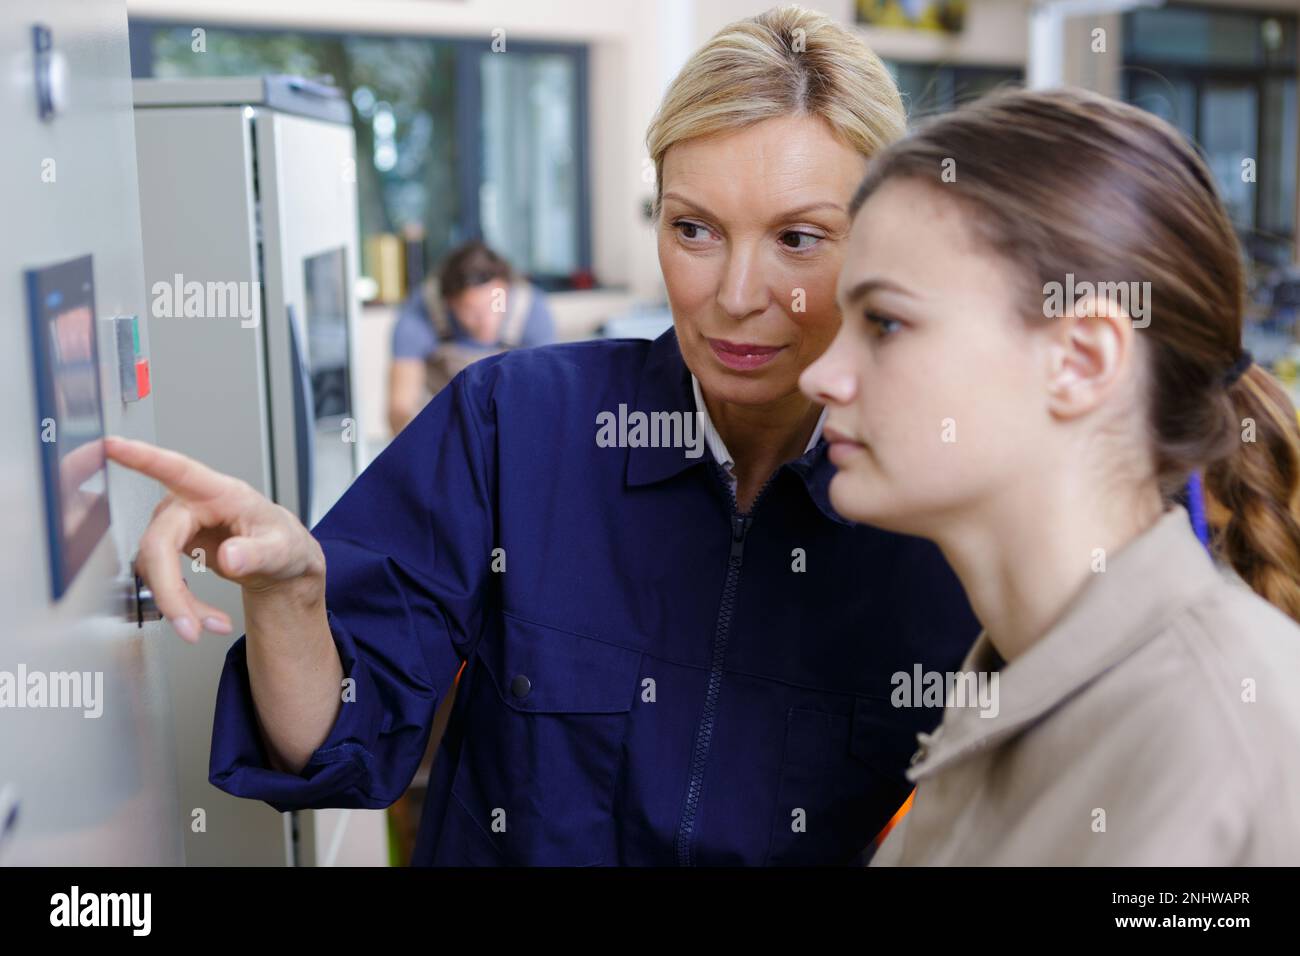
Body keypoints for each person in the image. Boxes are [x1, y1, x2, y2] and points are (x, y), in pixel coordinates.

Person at [105, 5, 980, 867]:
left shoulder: (949, 507)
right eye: (694, 229)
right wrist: (291, 593)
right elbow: (329, 747)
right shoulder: (512, 423)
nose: (738, 293)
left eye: (798, 238)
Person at [801, 87, 1300, 865]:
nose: (822, 377)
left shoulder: (1238, 736)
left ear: (1081, 360)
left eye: (885, 323)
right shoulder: (1010, 687)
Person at [387, 240, 555, 435]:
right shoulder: (418, 316)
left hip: (513, 421)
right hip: (447, 425)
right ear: (449, 302)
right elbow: (400, 409)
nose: (487, 321)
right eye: (472, 311)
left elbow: (545, 397)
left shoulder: (532, 310)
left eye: (495, 305)